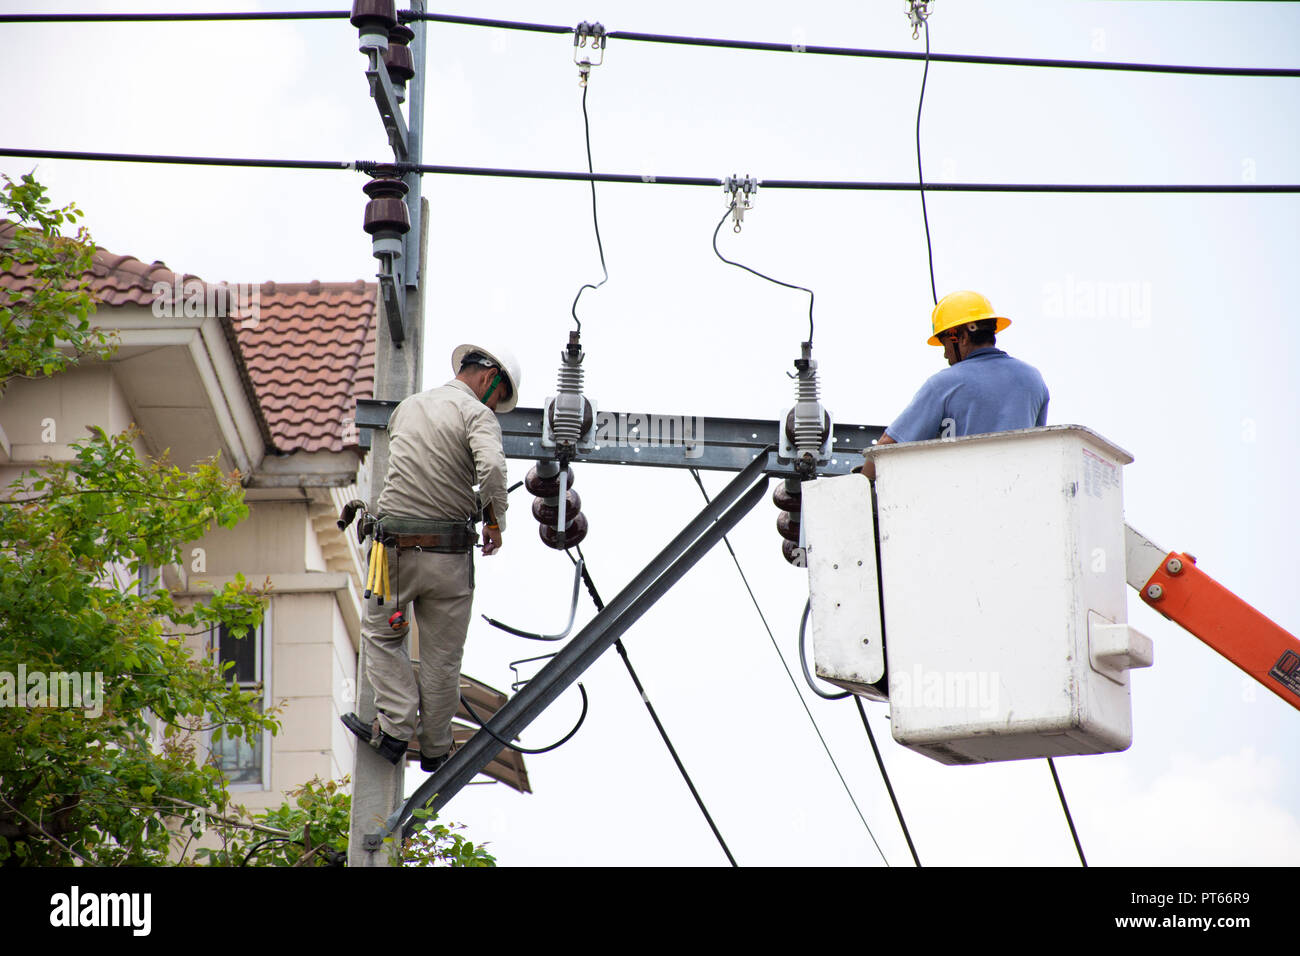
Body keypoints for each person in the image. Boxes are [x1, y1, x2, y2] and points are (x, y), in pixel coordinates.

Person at [341, 343, 521, 774]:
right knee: (443, 657)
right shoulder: (477, 415)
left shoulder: (407, 407)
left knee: (382, 637)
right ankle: (437, 747)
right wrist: (495, 522)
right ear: (487, 376)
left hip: (392, 556)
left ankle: (397, 729)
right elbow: (493, 471)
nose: (494, 405)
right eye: (497, 396)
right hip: (450, 560)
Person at [863, 291, 1048, 478]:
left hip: (963, 496)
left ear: (962, 337)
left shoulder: (944, 383)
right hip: (1021, 494)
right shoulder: (1033, 379)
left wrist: (860, 488)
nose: (945, 355)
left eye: (945, 345)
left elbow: (887, 446)